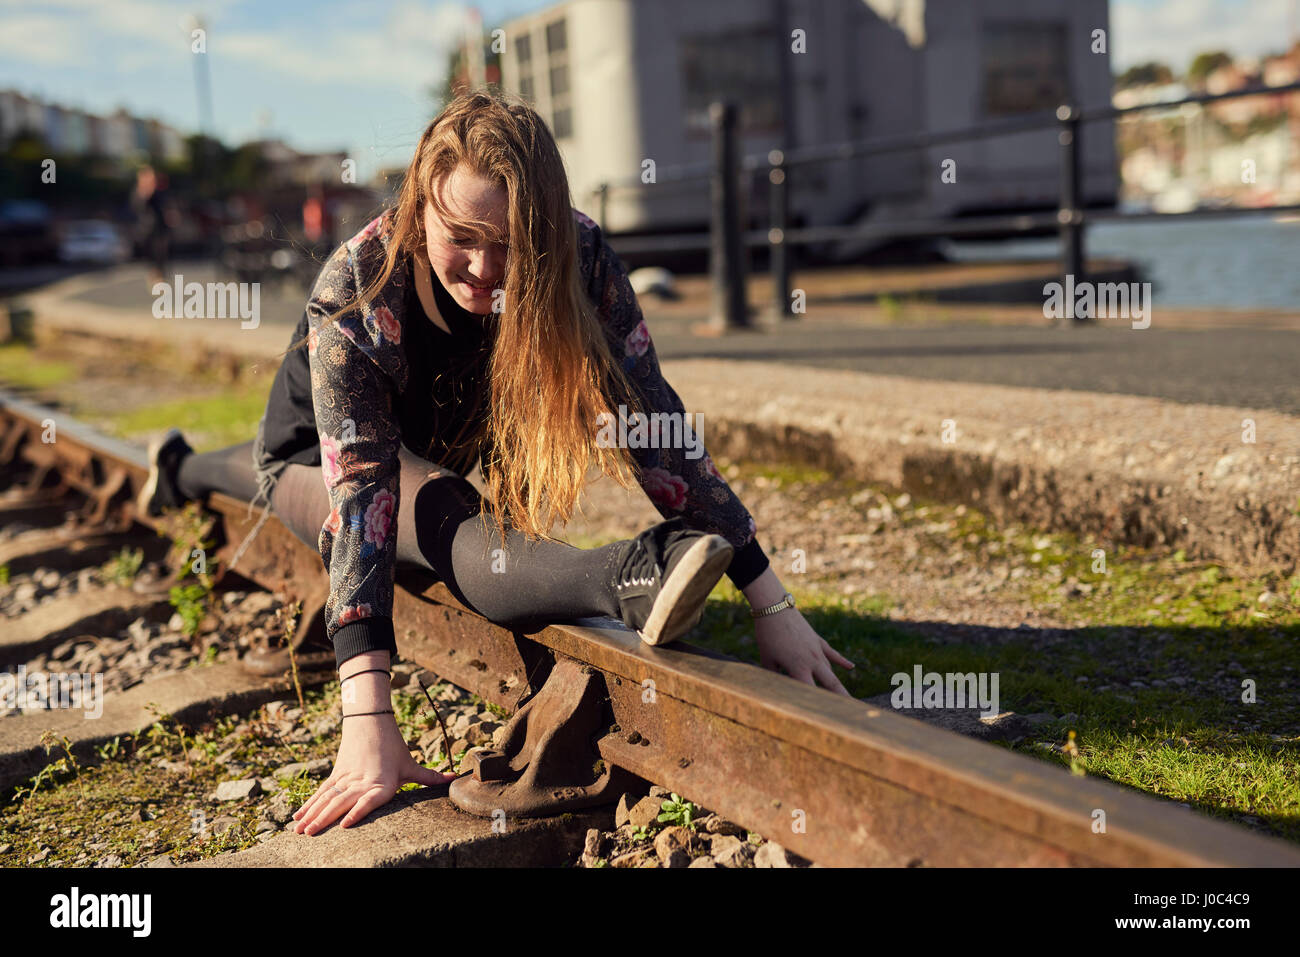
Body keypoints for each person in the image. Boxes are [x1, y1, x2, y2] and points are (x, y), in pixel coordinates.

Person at [136, 90, 853, 837]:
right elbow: (362, 506)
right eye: (463, 236)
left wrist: (770, 602)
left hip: (421, 456)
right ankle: (628, 573)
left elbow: (657, 424)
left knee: (415, 487)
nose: (485, 270)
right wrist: (368, 718)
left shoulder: (582, 257)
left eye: (512, 244)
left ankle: (178, 463)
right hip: (325, 466)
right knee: (433, 505)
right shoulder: (358, 290)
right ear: (420, 209)